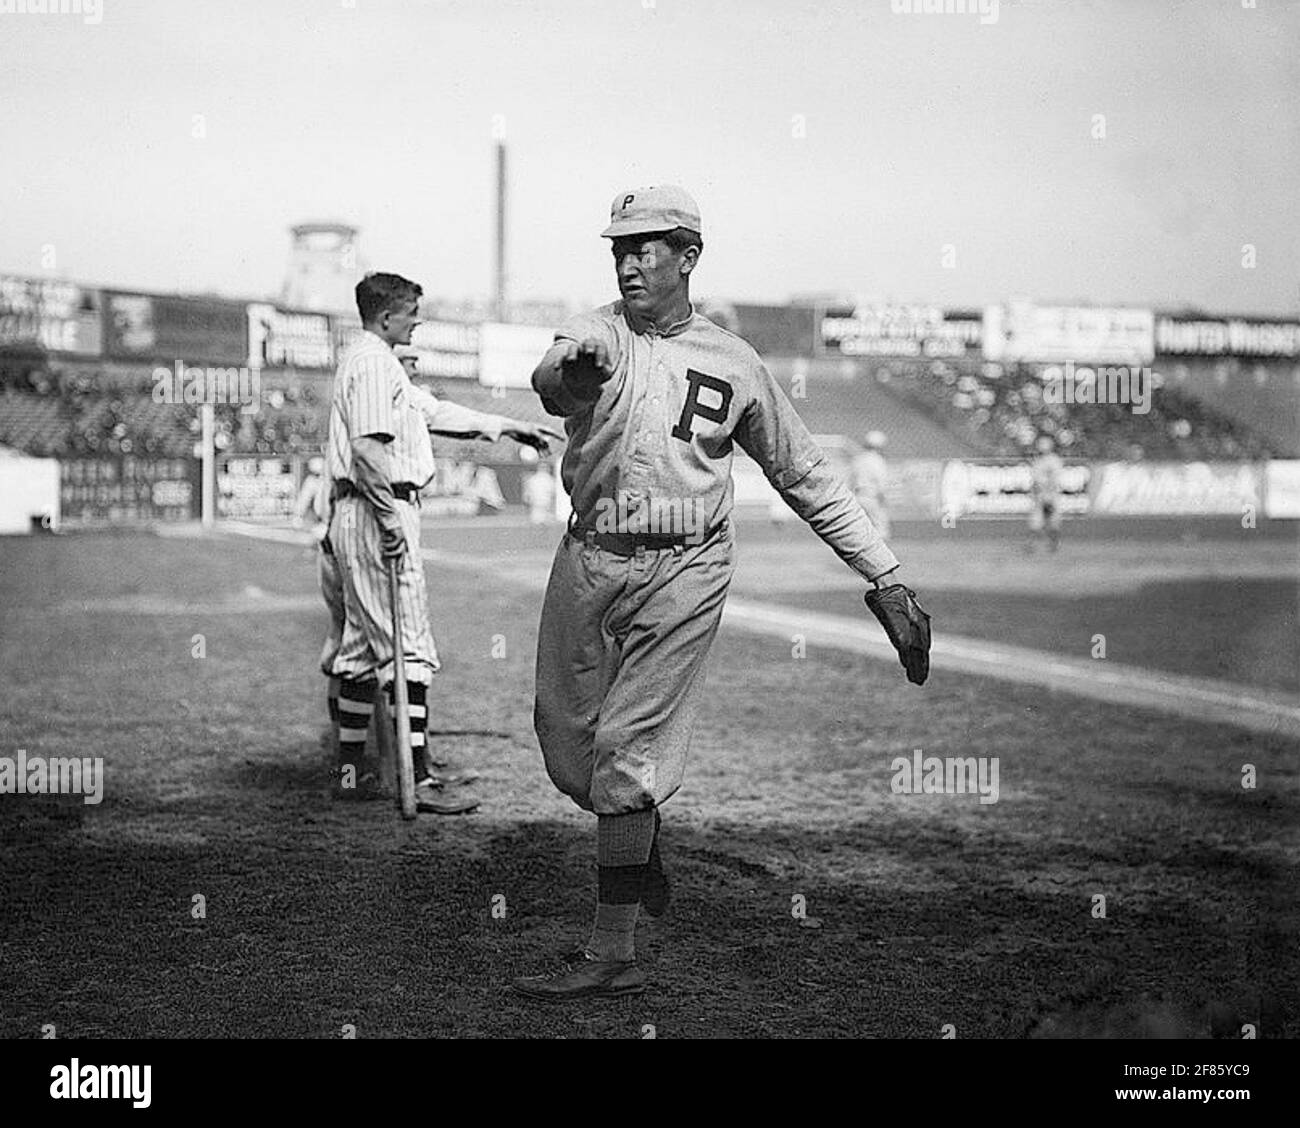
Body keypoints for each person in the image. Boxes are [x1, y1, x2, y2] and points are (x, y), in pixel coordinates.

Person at [512, 186, 917, 1000]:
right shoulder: (596, 331)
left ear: (689, 256)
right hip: (593, 555)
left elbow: (801, 472)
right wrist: (569, 374)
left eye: (647, 248)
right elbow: (552, 380)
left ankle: (612, 952)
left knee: (627, 754)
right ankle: (636, 831)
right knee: (567, 749)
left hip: (688, 566)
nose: (629, 262)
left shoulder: (736, 361)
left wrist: (886, 573)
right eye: (620, 249)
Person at [322, 273, 559, 815]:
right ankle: (420, 779)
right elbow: (366, 451)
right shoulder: (374, 362)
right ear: (386, 317)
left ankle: (351, 774)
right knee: (409, 652)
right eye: (412, 313)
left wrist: (507, 427)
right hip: (377, 506)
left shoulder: (375, 361)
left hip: (363, 509)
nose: (418, 322)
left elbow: (435, 414)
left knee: (361, 651)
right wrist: (388, 521)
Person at [1027, 434, 1064, 553]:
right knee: (1036, 520)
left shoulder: (1054, 460)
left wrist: (1049, 494)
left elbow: (1054, 478)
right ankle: (1034, 545)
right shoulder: (1037, 460)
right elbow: (1035, 479)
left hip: (1049, 494)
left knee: (1052, 520)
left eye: (1043, 443)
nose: (1040, 446)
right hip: (1039, 494)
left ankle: (1054, 544)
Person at [852, 430, 891, 540]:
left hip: (858, 495)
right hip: (873, 497)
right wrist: (883, 497)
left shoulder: (858, 459)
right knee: (880, 528)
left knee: (859, 528)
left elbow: (852, 479)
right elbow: (881, 481)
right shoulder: (878, 460)